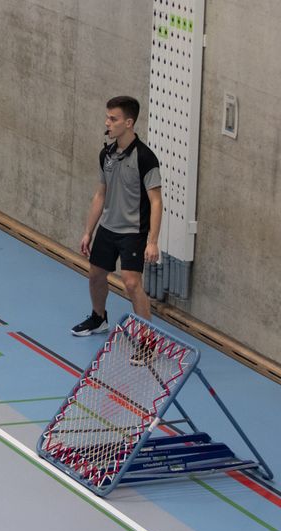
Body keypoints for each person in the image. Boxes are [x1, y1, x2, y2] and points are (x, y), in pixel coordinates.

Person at [71, 96, 163, 358]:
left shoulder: (146, 158)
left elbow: (156, 202)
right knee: (96, 275)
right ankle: (99, 318)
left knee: (132, 283)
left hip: (133, 231)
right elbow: (101, 194)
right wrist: (89, 230)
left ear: (129, 122)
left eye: (113, 119)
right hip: (108, 228)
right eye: (107, 118)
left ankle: (148, 342)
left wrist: (152, 241)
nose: (107, 123)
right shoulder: (107, 155)